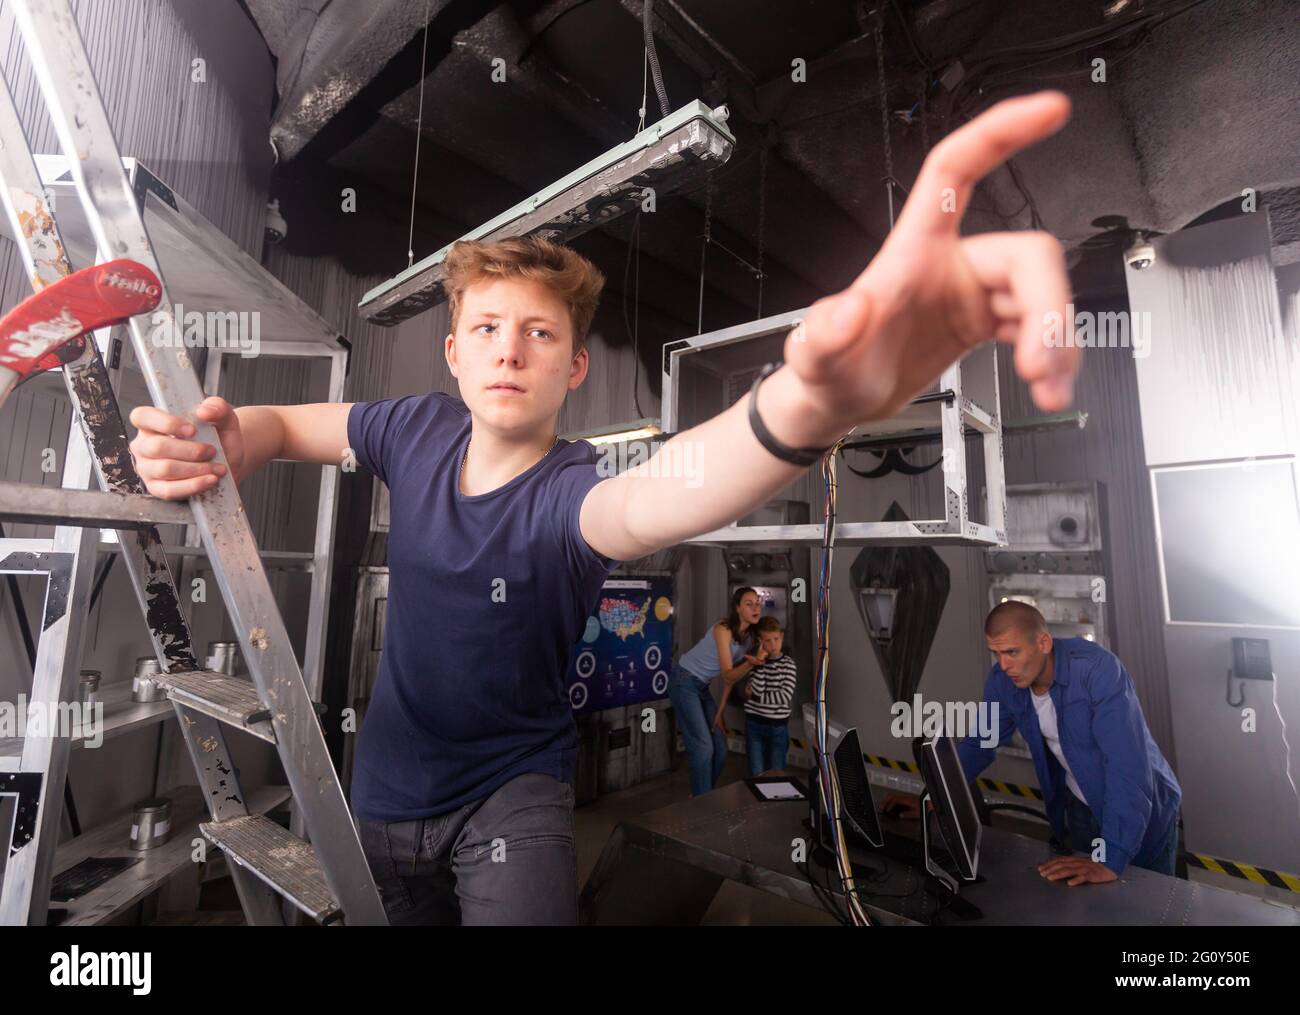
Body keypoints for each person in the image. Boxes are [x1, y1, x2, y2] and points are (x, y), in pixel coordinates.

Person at [127, 91, 1080, 923]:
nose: (510, 350)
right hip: (379, 789)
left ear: (573, 368)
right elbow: (291, 426)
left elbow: (661, 494)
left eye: (539, 334)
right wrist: (234, 437)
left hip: (512, 800)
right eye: (488, 330)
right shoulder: (409, 429)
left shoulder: (571, 491)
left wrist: (803, 405)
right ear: (454, 354)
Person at [886, 602, 1182, 885]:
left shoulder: (1097, 671)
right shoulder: (1002, 681)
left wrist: (1110, 858)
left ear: (1043, 643)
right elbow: (979, 743)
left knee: (1147, 906)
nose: (1004, 665)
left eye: (1012, 652)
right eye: (996, 653)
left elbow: (1127, 766)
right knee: (1092, 903)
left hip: (1141, 808)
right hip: (1080, 806)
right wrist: (933, 799)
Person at [669, 587, 760, 796]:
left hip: (701, 687)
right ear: (737, 608)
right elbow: (728, 674)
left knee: (720, 748)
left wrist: (719, 713)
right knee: (703, 747)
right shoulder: (723, 629)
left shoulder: (748, 639)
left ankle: (700, 796)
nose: (756, 607)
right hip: (683, 681)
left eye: (758, 603)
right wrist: (751, 665)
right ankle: (703, 802)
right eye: (749, 603)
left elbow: (729, 680)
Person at [738, 616, 797, 776]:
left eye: (776, 639)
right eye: (768, 641)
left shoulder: (788, 664)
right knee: (756, 772)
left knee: (776, 773)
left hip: (777, 727)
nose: (773, 645)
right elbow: (757, 687)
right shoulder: (755, 664)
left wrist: (756, 698)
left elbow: (784, 697)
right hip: (754, 724)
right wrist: (759, 662)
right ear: (760, 641)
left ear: (781, 636)